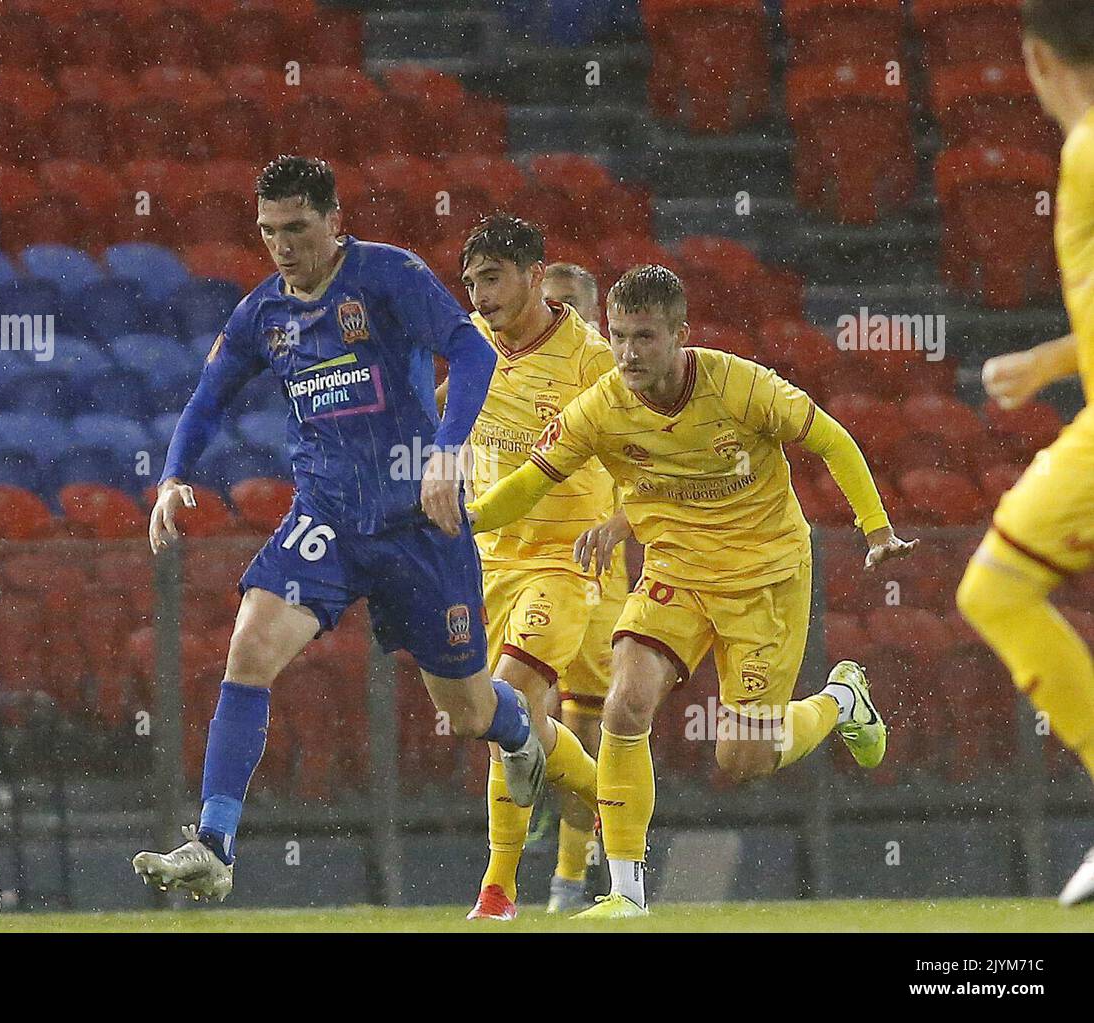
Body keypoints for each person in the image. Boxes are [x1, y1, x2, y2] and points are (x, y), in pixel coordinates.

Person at [131, 156, 544, 901]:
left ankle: (517, 733)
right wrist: (172, 475)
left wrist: (446, 456)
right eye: (267, 231)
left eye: (296, 228)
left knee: (467, 708)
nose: (282, 245)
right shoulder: (263, 314)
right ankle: (217, 843)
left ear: (334, 220)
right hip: (326, 518)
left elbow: (474, 350)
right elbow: (207, 398)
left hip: (421, 522)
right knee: (250, 645)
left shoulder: (389, 276)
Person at [468, 264, 917, 917]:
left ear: (681, 333)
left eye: (645, 337)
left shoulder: (740, 386)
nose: (627, 352)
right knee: (625, 704)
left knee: (744, 756)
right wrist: (469, 518)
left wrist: (876, 529)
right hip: (675, 570)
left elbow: (831, 438)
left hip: (763, 576)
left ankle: (842, 698)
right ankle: (625, 892)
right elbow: (533, 479)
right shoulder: (602, 404)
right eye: (619, 335)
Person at [956, 0, 1094, 907]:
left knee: (996, 589)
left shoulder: (1085, 148)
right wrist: (1052, 360)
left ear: (1041, 59)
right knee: (996, 587)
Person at [449, 217, 625, 918]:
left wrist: (621, 521)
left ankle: (501, 886)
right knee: (499, 718)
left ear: (531, 273)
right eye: (470, 282)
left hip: (567, 560)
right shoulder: (473, 340)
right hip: (489, 563)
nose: (479, 294)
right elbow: (449, 403)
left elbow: (648, 457)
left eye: (491, 277)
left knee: (513, 696)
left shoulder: (592, 360)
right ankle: (611, 809)